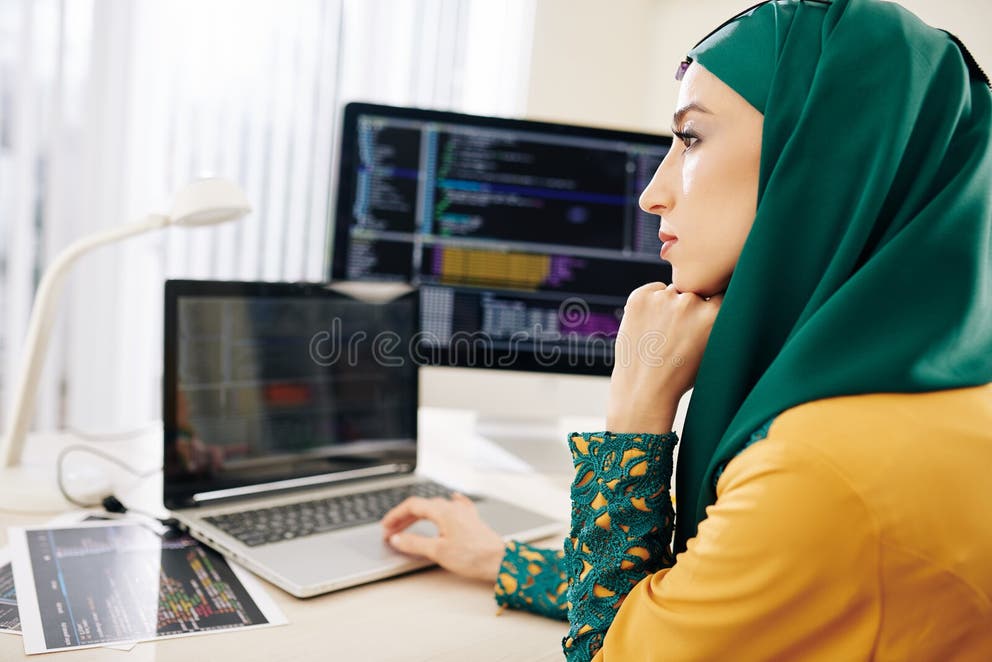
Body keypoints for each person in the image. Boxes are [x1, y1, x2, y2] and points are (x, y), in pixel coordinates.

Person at [380, 0, 992, 659]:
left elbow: (607, 652)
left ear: (825, 158)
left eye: (691, 138)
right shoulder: (927, 391)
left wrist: (638, 411)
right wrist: (502, 560)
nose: (652, 193)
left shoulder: (818, 474)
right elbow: (709, 587)